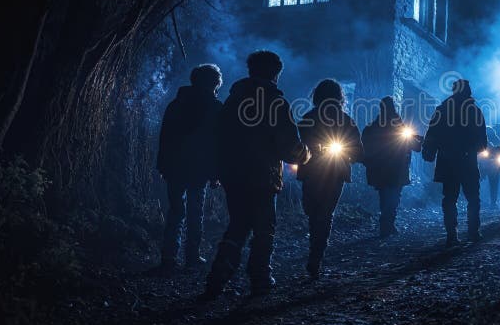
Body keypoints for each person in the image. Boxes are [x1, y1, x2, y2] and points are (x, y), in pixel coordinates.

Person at [202, 51, 311, 299]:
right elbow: (289, 147)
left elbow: (217, 139)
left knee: (238, 224)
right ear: (276, 74)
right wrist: (306, 155)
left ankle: (218, 276)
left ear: (251, 70)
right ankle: (260, 277)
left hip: (233, 174)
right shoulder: (275, 102)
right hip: (263, 176)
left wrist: (217, 169)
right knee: (264, 227)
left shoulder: (233, 100)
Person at [155, 64, 223, 273]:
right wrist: (215, 173)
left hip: (175, 166)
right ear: (215, 84)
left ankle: (168, 258)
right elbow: (217, 144)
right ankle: (191, 257)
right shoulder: (215, 108)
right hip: (199, 169)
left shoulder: (176, 104)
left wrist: (163, 164)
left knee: (176, 211)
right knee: (195, 212)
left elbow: (165, 137)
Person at [297, 79, 363, 280]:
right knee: (324, 214)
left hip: (311, 172)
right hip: (336, 173)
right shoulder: (346, 120)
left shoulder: (307, 118)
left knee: (314, 212)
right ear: (339, 97)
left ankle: (315, 254)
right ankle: (316, 256)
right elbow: (359, 152)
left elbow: (299, 142)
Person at [422, 79, 488, 246]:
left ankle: (452, 234)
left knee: (450, 198)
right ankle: (473, 232)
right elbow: (482, 142)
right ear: (468, 91)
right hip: (468, 162)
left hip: (447, 161)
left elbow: (432, 134)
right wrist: (472, 149)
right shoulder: (474, 111)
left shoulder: (442, 110)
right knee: (473, 198)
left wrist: (429, 152)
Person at [362, 96, 422, 237]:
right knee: (393, 197)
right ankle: (388, 224)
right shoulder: (399, 128)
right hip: (397, 169)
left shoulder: (373, 128)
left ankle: (386, 224)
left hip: (380, 169)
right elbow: (416, 146)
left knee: (385, 196)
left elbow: (364, 147)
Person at [479, 126, 500, 209]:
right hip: (484, 165)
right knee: (492, 184)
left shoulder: (496, 140)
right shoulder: (482, 140)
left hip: (493, 165)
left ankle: (493, 202)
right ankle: (480, 200)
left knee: (493, 184)